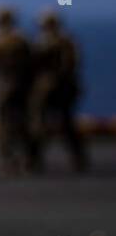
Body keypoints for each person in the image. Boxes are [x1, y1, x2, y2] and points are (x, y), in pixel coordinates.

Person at [29, 10, 87, 172]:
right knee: (66, 125)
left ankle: (34, 160)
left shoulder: (43, 43)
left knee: (40, 124)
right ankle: (77, 158)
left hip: (48, 89)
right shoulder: (67, 42)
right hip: (63, 88)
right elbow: (73, 64)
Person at [0, 6, 34, 175]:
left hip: (2, 88)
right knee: (23, 123)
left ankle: (6, 161)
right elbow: (32, 66)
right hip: (22, 87)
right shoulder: (22, 40)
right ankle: (28, 159)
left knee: (3, 126)